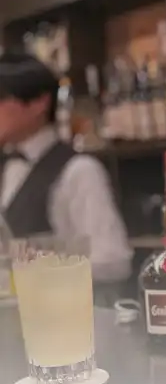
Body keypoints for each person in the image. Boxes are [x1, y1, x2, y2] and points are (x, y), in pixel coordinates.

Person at [0, 51, 132, 284]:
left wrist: (43, 266)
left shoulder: (79, 171)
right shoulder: (9, 166)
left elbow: (114, 260)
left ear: (39, 102)